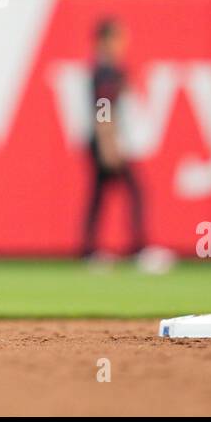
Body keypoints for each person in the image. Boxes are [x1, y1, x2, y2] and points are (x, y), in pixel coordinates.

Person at [80, 19, 147, 263]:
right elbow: (103, 109)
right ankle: (139, 247)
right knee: (135, 192)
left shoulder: (107, 69)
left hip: (104, 140)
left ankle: (89, 250)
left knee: (99, 196)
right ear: (105, 41)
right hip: (108, 142)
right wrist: (109, 144)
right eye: (117, 39)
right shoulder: (106, 71)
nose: (122, 45)